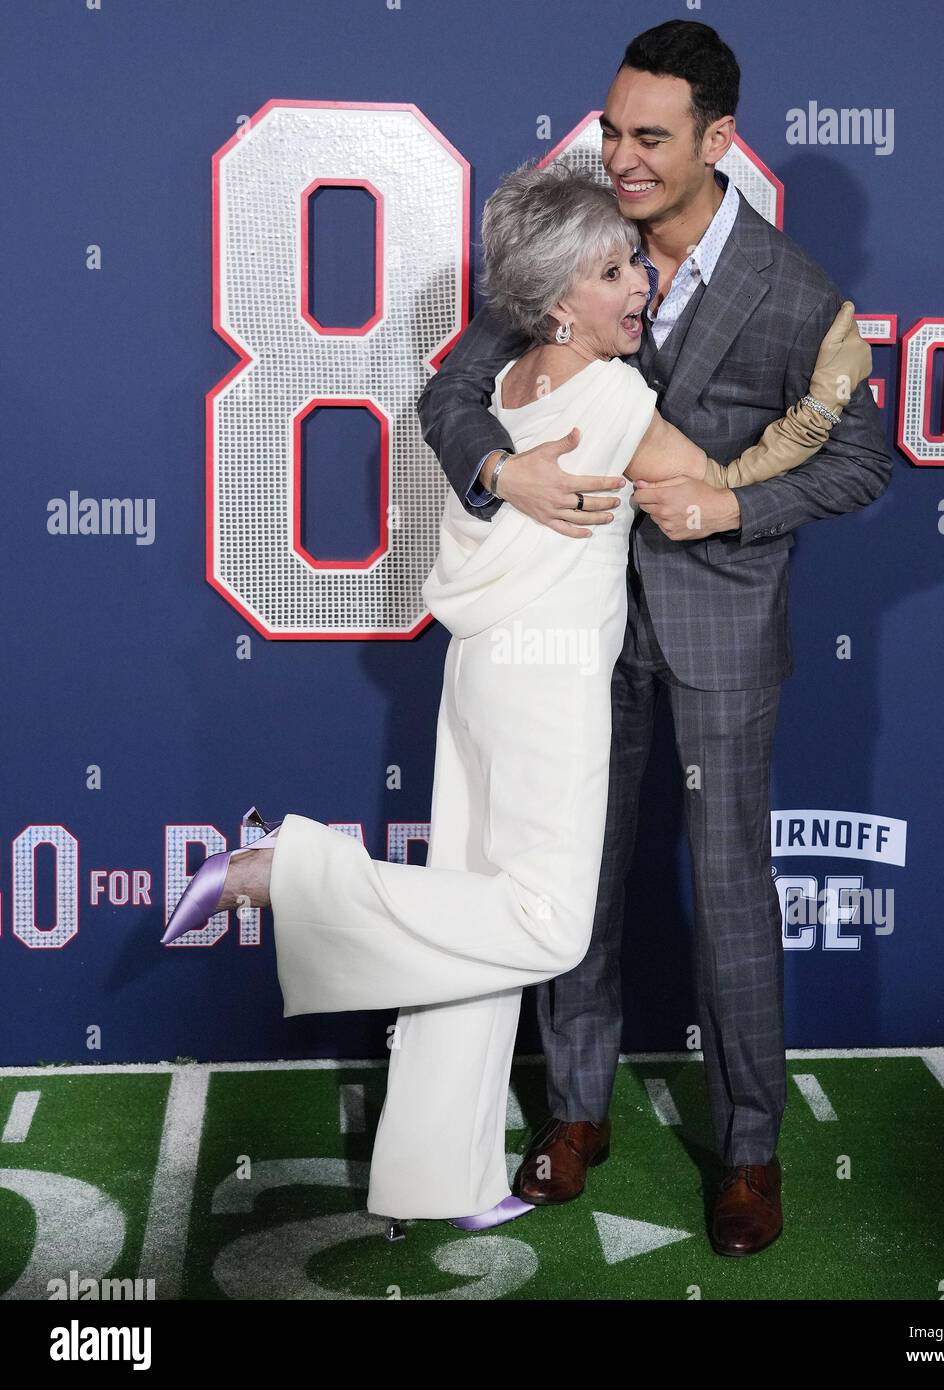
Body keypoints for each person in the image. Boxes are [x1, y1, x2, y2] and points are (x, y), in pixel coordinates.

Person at [161, 157, 872, 1239]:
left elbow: (466, 408)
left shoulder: (518, 381)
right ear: (554, 300)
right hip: (549, 688)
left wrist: (505, 467)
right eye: (608, 269)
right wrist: (823, 396)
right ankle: (282, 870)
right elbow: (704, 487)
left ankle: (430, 1174)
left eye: (631, 259)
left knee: (473, 925)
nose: (634, 280)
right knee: (545, 930)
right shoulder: (617, 394)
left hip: (479, 675)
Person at [415, 20, 892, 1256]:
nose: (618, 156)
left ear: (715, 141)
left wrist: (737, 503)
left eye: (647, 137)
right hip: (566, 629)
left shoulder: (790, 289)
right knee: (571, 872)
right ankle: (573, 1108)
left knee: (730, 890)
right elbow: (451, 394)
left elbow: (861, 456)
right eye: (611, 129)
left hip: (720, 624)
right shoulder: (577, 243)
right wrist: (498, 474)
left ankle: (747, 1147)